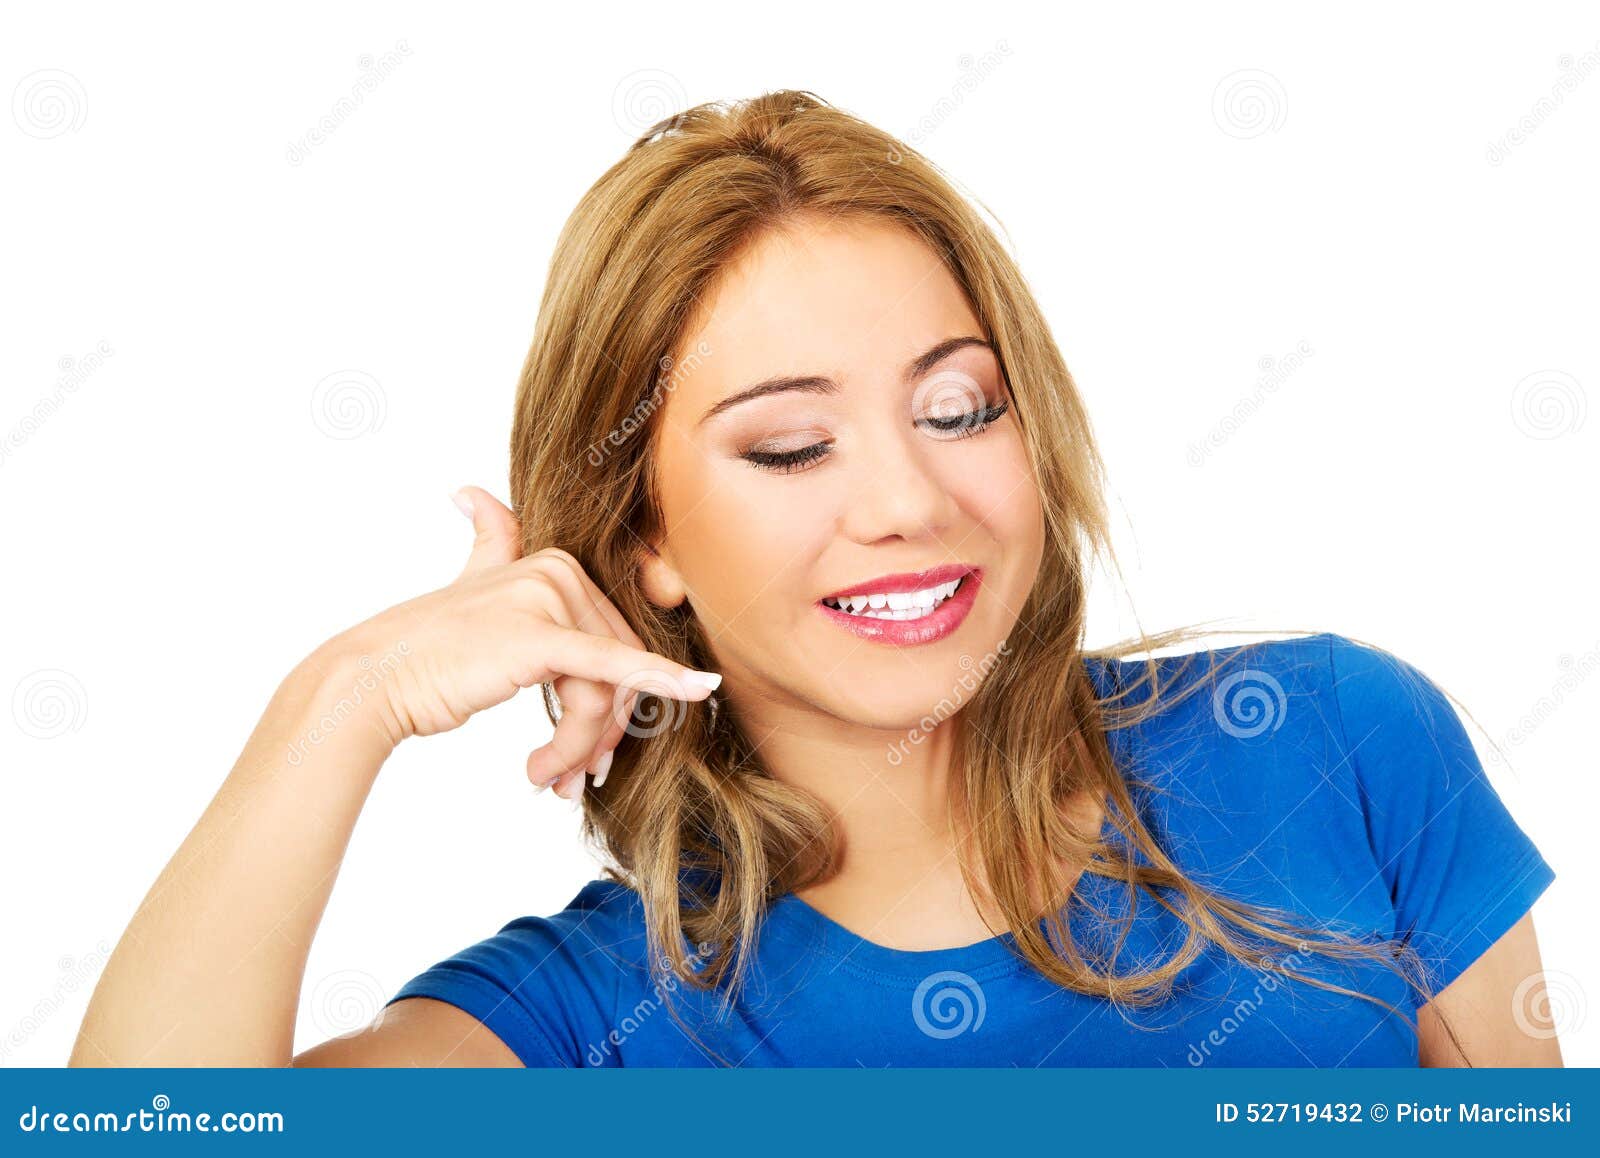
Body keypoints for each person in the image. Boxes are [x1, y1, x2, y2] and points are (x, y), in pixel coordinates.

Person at [71, 90, 1559, 1068]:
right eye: (790, 446)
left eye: (961, 407)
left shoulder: (1339, 741)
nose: (910, 499)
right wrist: (345, 699)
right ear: (643, 541)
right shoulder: (598, 1017)